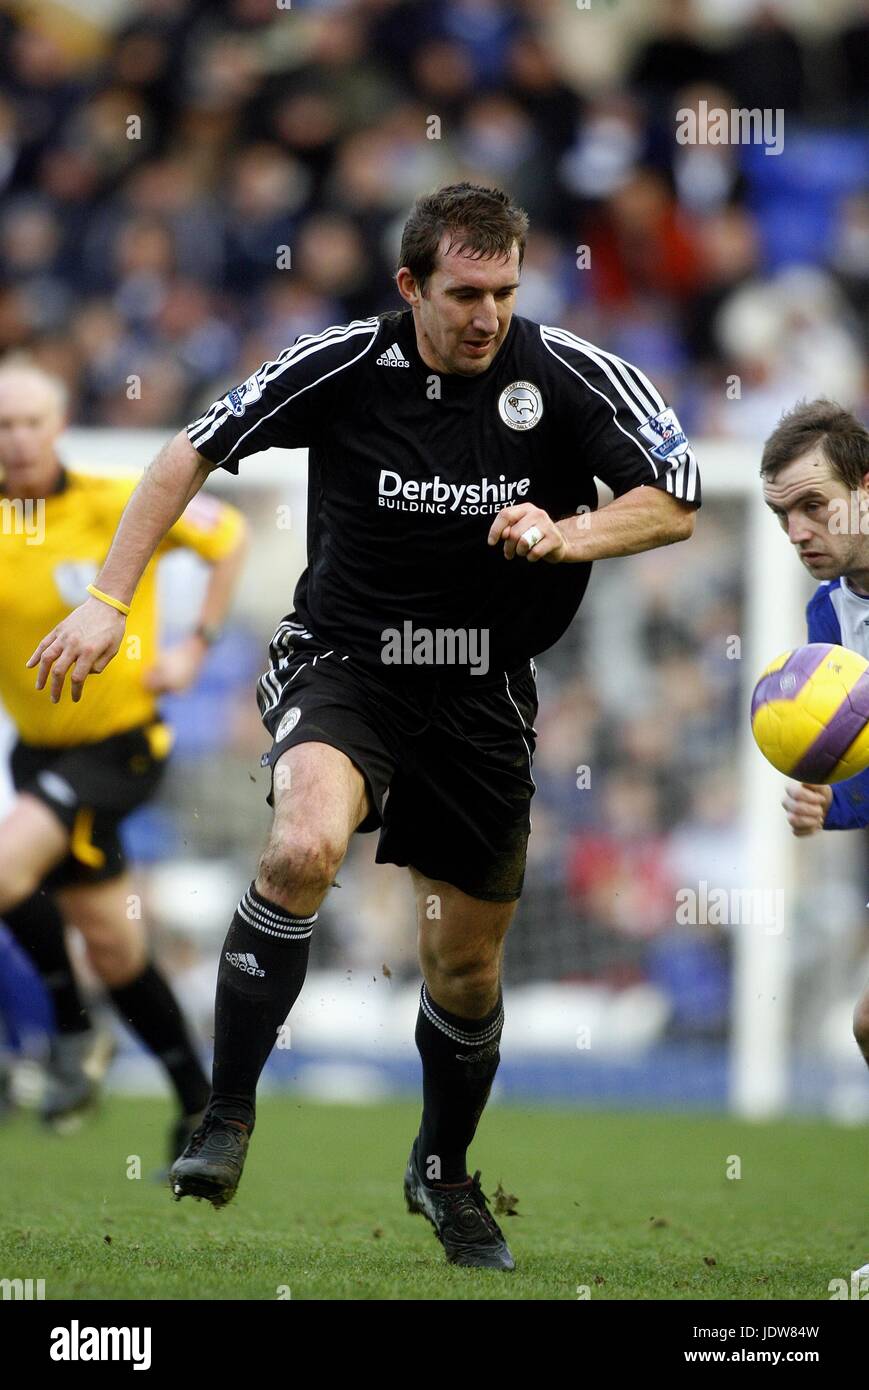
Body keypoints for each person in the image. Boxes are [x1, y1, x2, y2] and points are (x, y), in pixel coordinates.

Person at [29, 183, 700, 1270]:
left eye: (502, 292)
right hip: (346, 663)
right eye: (462, 293)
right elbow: (182, 454)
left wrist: (569, 531)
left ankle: (442, 1168)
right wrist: (107, 600)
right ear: (410, 286)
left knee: (465, 974)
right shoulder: (339, 361)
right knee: (301, 843)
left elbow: (672, 498)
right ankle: (226, 1112)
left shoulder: (570, 375)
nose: (485, 315)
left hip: (482, 692)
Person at [0, 361, 248, 1157]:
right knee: (113, 946)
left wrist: (195, 646)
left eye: (29, 423)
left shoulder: (117, 500)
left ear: (59, 423)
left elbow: (230, 535)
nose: (15, 440)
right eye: (2, 427)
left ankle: (71, 1036)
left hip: (124, 745)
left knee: (4, 874)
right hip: (38, 756)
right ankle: (197, 1103)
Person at [759, 398, 869, 1281]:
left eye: (813, 506)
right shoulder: (826, 618)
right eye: (779, 515)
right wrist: (828, 803)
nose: (796, 531)